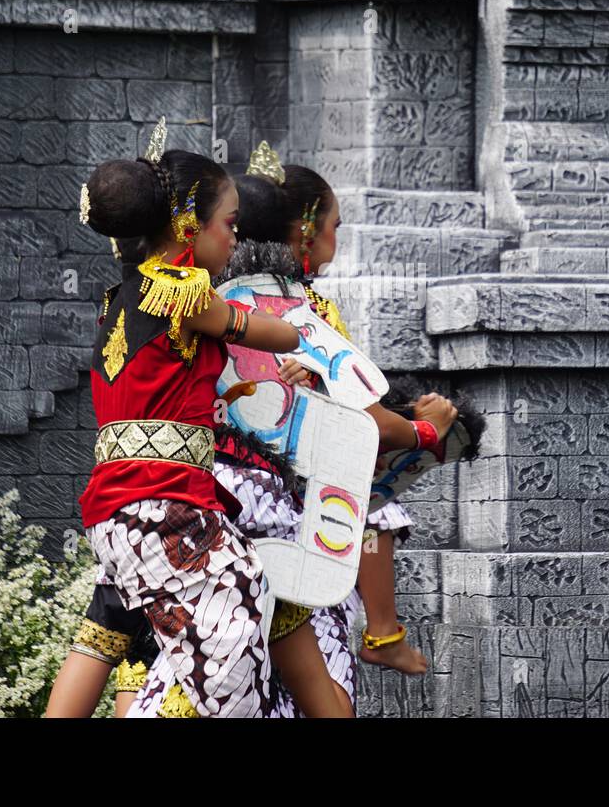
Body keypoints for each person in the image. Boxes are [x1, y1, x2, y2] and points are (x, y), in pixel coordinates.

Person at [47, 123, 301, 718]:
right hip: (165, 507)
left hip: (120, 510)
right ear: (188, 224)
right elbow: (275, 332)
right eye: (230, 224)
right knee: (237, 632)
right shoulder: (186, 292)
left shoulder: (119, 297)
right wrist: (292, 332)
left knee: (112, 631)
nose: (235, 239)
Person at [220, 142, 457, 715]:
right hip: (287, 518)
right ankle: (384, 630)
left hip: (191, 516)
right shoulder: (303, 315)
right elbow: (363, 420)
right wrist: (429, 433)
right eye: (333, 226)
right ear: (300, 233)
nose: (334, 241)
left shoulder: (195, 304)